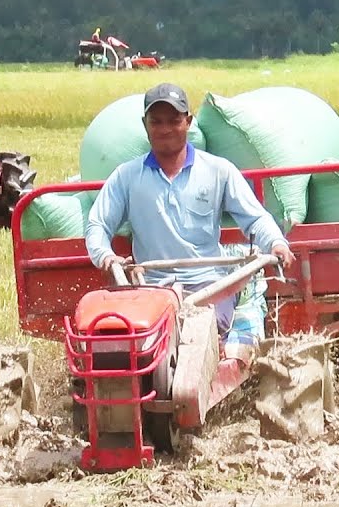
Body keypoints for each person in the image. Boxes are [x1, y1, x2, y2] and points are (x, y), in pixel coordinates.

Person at [85, 82, 296, 365]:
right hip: (151, 289)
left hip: (208, 286)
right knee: (127, 348)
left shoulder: (218, 171)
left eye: (174, 121)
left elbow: (254, 218)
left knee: (200, 335)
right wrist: (106, 257)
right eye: (156, 122)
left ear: (189, 122)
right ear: (144, 125)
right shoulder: (127, 177)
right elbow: (98, 224)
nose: (165, 129)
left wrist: (276, 243)